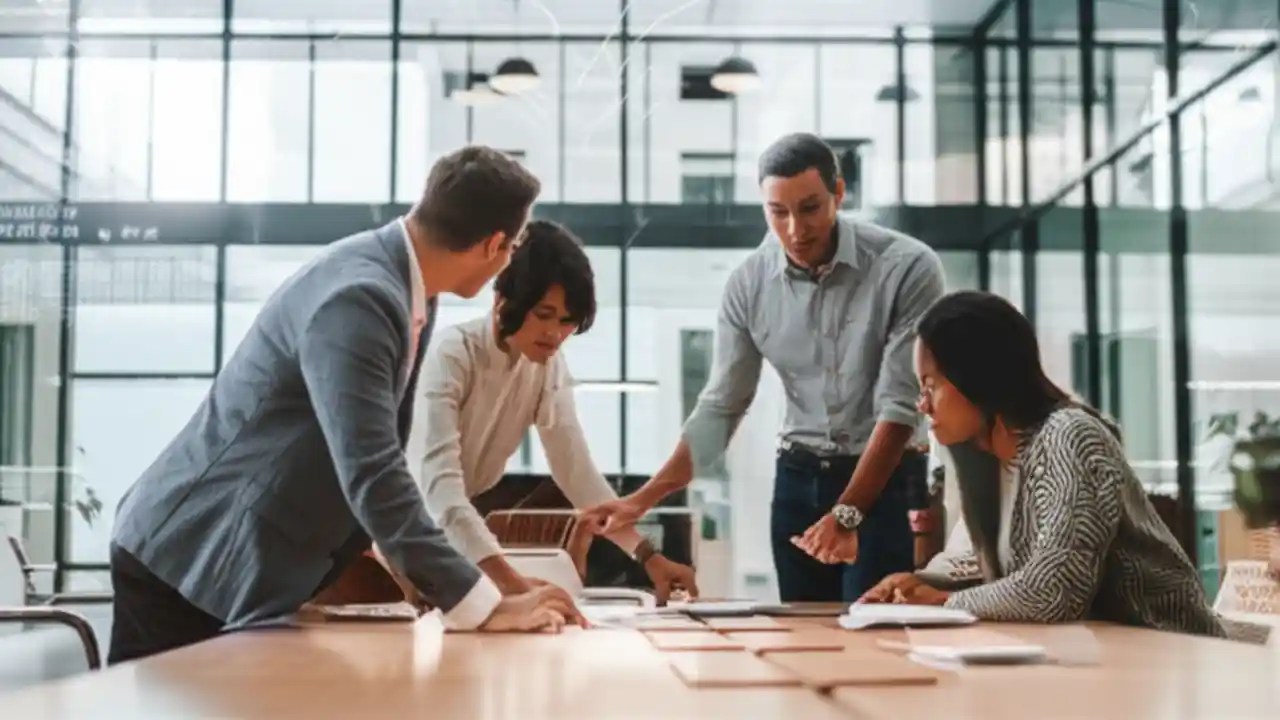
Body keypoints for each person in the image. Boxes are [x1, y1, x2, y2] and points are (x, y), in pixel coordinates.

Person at [108, 146, 579, 664]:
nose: (509, 260)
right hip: (192, 557)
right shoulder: (361, 296)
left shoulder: (405, 289)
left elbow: (366, 465)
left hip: (234, 561)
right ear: (493, 244)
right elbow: (373, 472)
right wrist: (483, 607)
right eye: (512, 248)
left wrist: (457, 581)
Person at [580, 132, 946, 602]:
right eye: (778, 212)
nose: (795, 229)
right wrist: (640, 500)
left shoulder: (907, 267)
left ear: (839, 194)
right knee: (802, 637)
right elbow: (720, 408)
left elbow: (899, 407)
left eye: (810, 207)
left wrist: (848, 514)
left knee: (879, 630)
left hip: (887, 478)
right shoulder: (748, 285)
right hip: (798, 478)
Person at [860, 291, 1225, 637]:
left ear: (977, 377)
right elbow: (970, 559)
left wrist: (942, 600)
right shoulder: (983, 458)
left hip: (1167, 650)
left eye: (930, 386)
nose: (922, 405)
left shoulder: (1071, 436)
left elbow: (1055, 591)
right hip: (1089, 655)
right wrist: (917, 583)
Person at [406, 220, 699, 604]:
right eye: (544, 314)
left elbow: (575, 471)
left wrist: (649, 557)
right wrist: (514, 587)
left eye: (566, 321)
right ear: (503, 302)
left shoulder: (545, 367)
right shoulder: (452, 355)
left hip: (445, 536)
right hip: (387, 535)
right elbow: (441, 491)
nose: (555, 334)